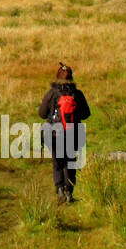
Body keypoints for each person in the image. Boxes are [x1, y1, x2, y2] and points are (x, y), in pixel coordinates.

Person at [38, 63, 90, 204]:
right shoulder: (77, 94)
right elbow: (86, 114)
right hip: (73, 133)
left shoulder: (52, 94)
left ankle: (60, 190)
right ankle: (69, 192)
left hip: (55, 134)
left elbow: (42, 114)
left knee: (58, 162)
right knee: (70, 162)